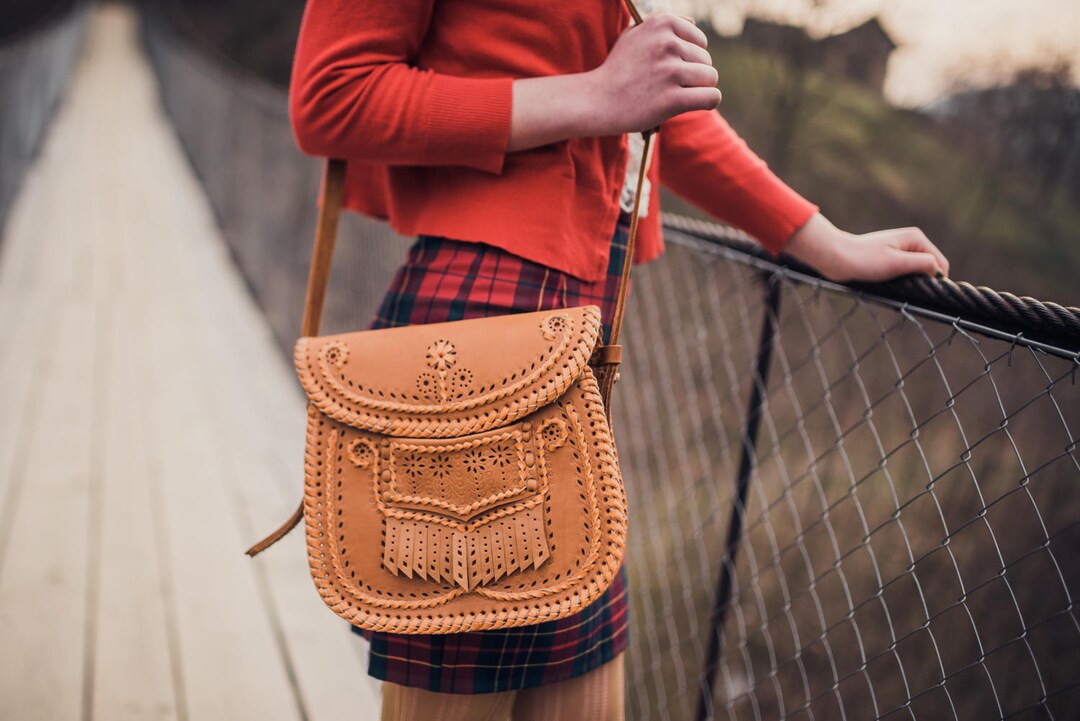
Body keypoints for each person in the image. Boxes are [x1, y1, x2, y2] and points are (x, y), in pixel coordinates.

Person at [287, 0, 951, 719]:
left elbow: (659, 113)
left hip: (581, 336)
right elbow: (332, 96)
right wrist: (596, 94)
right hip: (480, 334)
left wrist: (822, 241)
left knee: (585, 688)